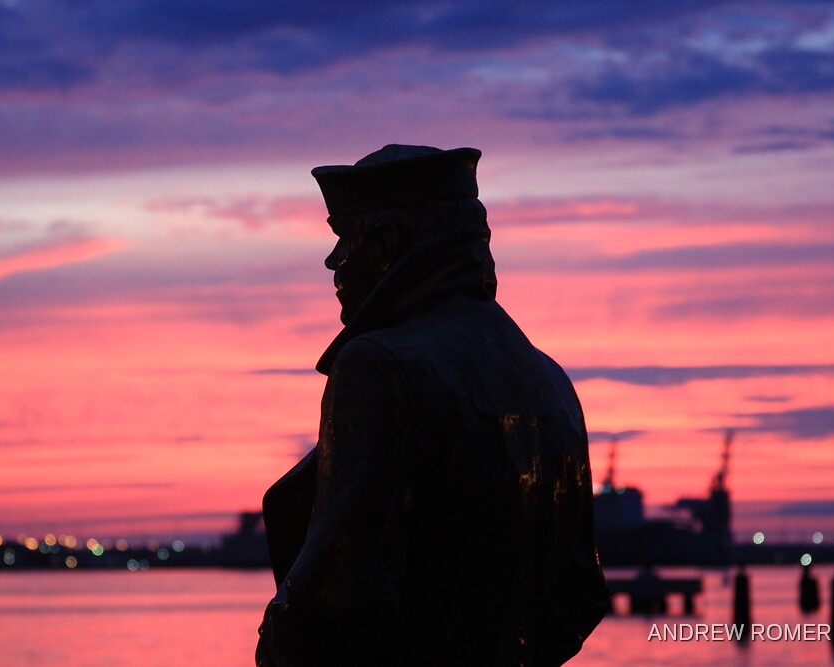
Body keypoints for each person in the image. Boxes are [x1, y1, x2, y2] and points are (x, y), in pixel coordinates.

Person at [256, 144, 608, 666]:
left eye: (343, 239)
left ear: (387, 243)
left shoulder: (379, 365)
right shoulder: (549, 379)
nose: (332, 262)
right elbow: (579, 591)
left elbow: (337, 592)